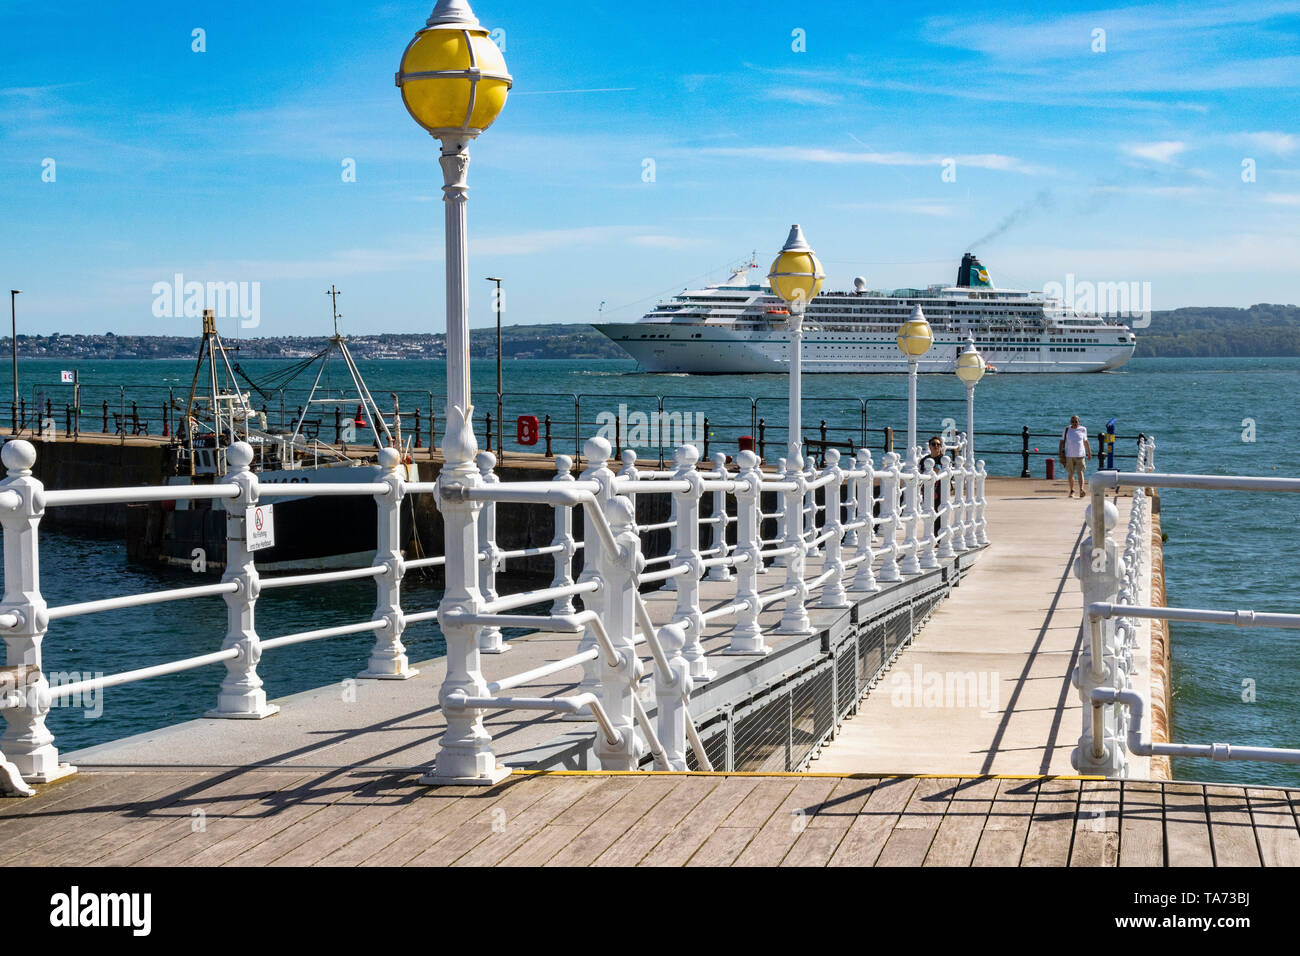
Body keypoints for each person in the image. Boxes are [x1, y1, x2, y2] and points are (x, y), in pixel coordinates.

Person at [1060, 415, 1091, 498]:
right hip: (1069, 455)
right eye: (1072, 421)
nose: (1074, 423)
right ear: (1070, 422)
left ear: (1079, 422)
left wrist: (1089, 452)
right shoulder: (1067, 429)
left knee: (1080, 472)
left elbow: (1085, 441)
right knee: (1071, 473)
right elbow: (1062, 442)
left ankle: (1081, 490)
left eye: (1076, 421)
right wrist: (1060, 453)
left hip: (1080, 455)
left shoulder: (1083, 429)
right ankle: (1072, 490)